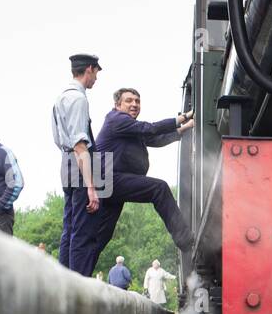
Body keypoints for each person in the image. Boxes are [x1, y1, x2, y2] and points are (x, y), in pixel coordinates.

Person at [81, 87, 196, 268]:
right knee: (159, 188)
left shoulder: (127, 128)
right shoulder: (116, 120)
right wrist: (184, 117)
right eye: (129, 101)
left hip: (112, 184)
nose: (134, 104)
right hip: (111, 179)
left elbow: (155, 139)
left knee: (101, 236)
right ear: (117, 104)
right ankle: (186, 241)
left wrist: (186, 129)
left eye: (137, 101)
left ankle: (81, 273)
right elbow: (150, 129)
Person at [52, 53, 103, 272]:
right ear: (89, 69)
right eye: (96, 73)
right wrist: (91, 186)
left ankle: (64, 279)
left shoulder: (61, 97)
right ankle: (78, 283)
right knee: (83, 230)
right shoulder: (79, 99)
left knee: (70, 226)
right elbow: (80, 145)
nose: (96, 79)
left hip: (67, 162)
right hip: (80, 163)